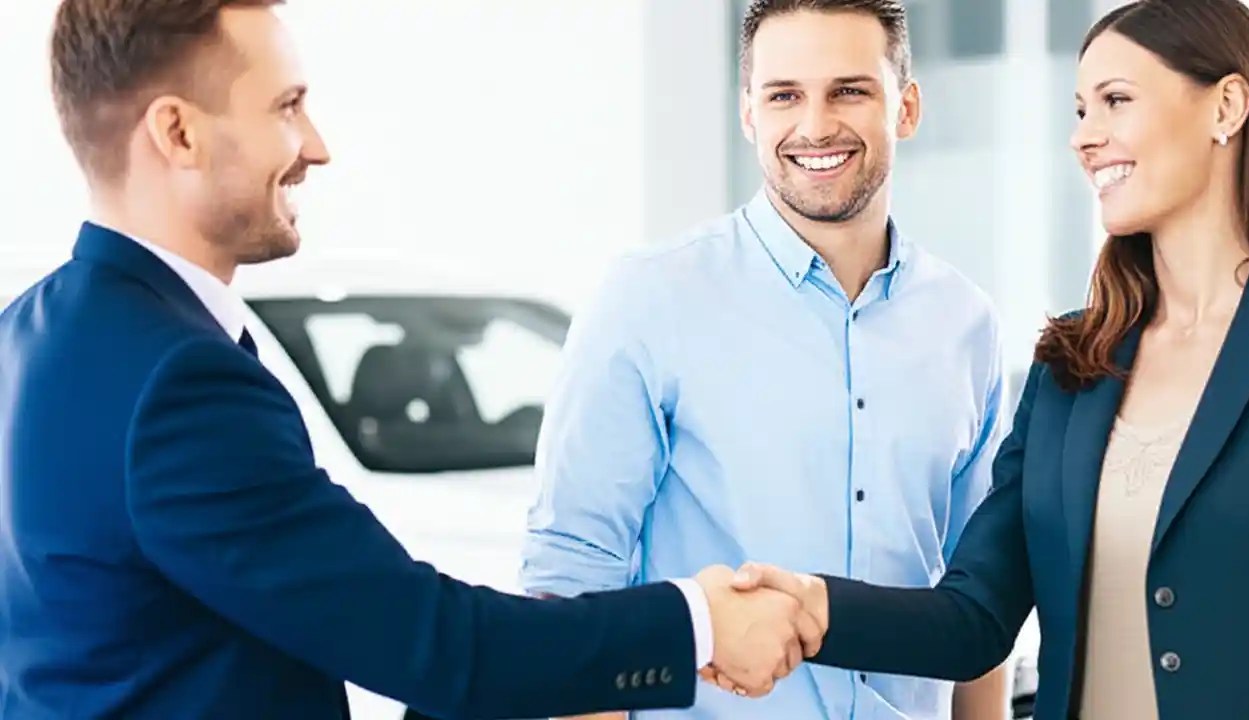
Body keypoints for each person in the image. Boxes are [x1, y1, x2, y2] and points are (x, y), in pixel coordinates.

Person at [0, 1, 822, 717]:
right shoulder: (180, 384)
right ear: (177, 132)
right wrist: (700, 623)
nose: (316, 147)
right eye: (287, 107)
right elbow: (440, 649)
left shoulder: (27, 334)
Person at [717, 1, 1249, 719]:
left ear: (1226, 106)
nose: (1086, 138)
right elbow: (974, 618)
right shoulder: (1074, 365)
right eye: (1080, 110)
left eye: (1116, 101)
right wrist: (814, 607)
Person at [519, 1, 1009, 718]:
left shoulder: (968, 324)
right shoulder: (650, 299)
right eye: (784, 95)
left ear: (905, 107)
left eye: (849, 90)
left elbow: (978, 605)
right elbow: (570, 582)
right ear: (748, 113)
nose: (814, 126)